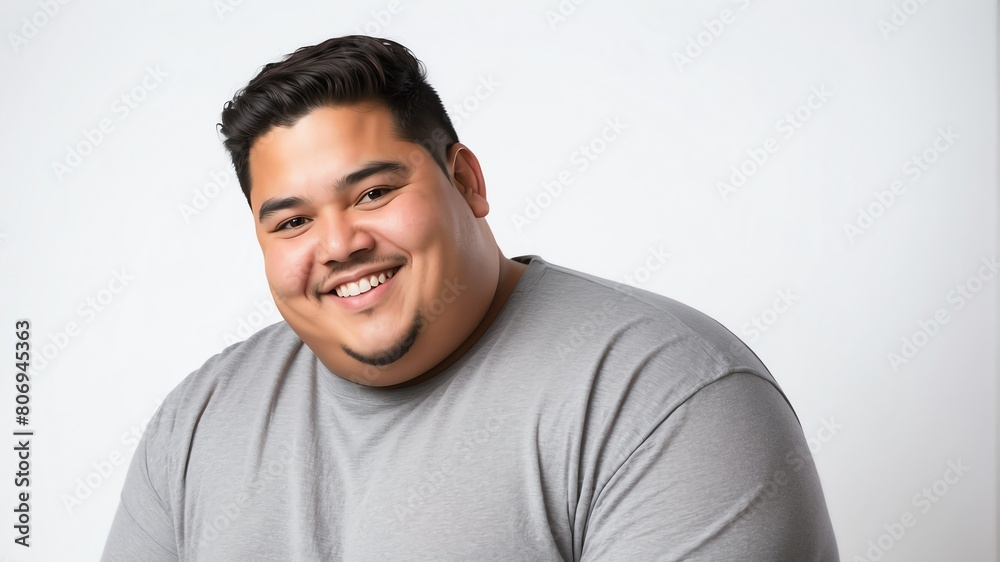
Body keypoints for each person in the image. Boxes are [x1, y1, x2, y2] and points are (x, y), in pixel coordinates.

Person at [101, 35, 839, 561]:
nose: (338, 244)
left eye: (374, 192)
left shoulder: (664, 396)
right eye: (293, 221)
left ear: (467, 182)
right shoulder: (195, 426)